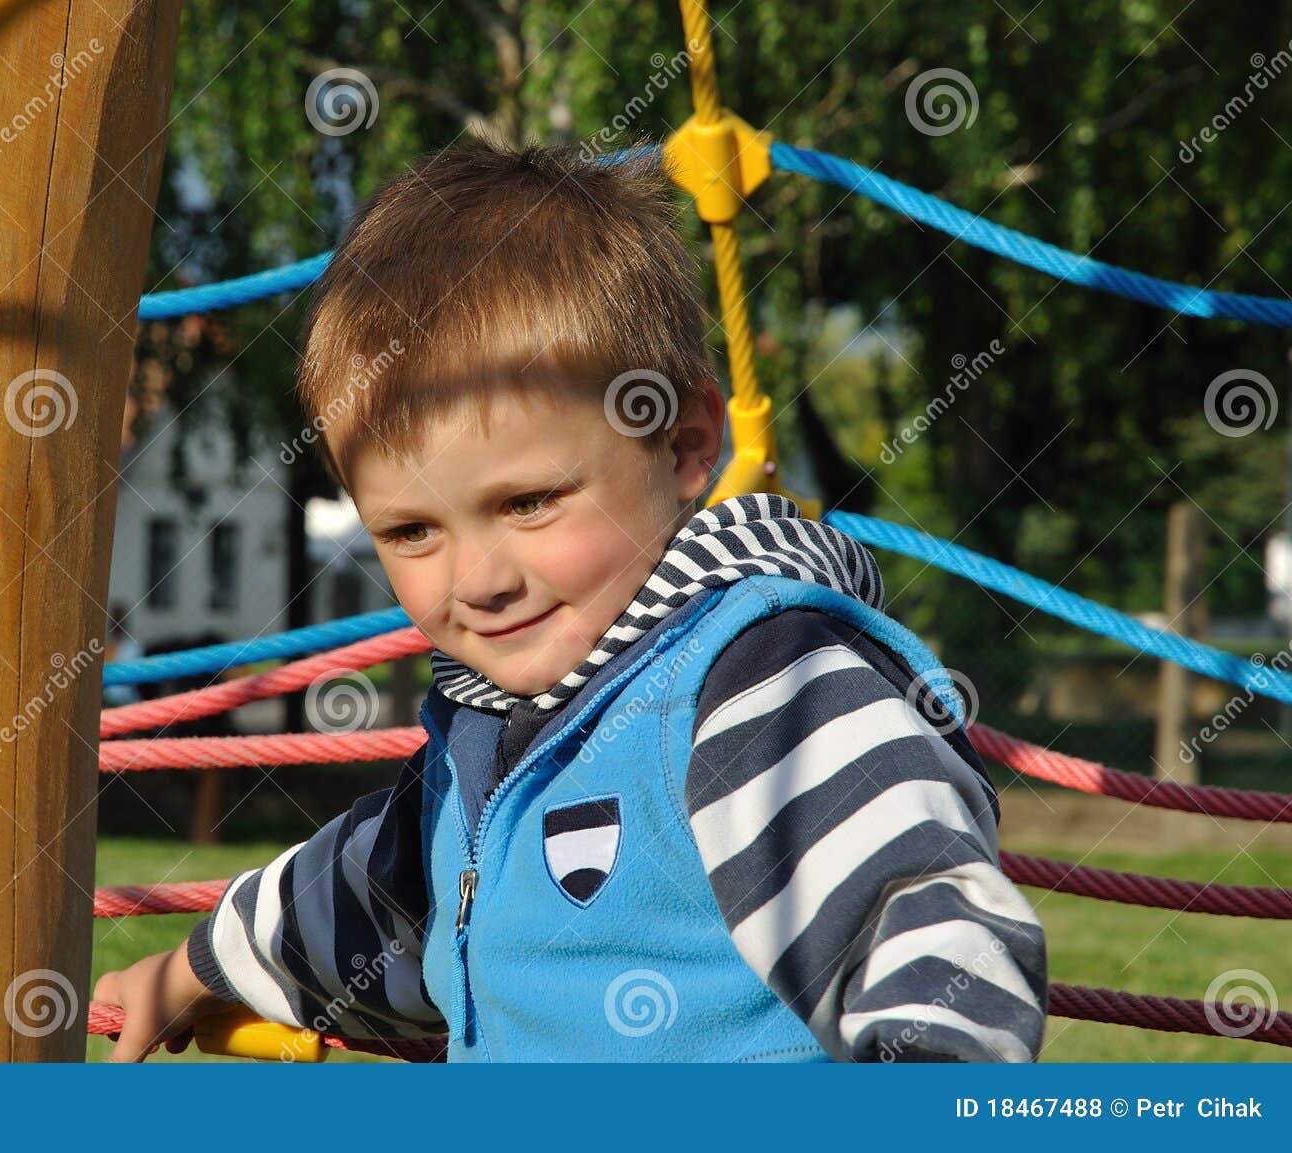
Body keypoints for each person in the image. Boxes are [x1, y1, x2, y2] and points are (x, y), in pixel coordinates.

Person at [94, 136, 1048, 1063]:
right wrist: (193, 969)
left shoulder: (756, 681)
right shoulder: (491, 732)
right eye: (412, 531)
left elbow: (920, 922)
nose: (479, 579)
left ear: (681, 446)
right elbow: (377, 898)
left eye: (529, 502)